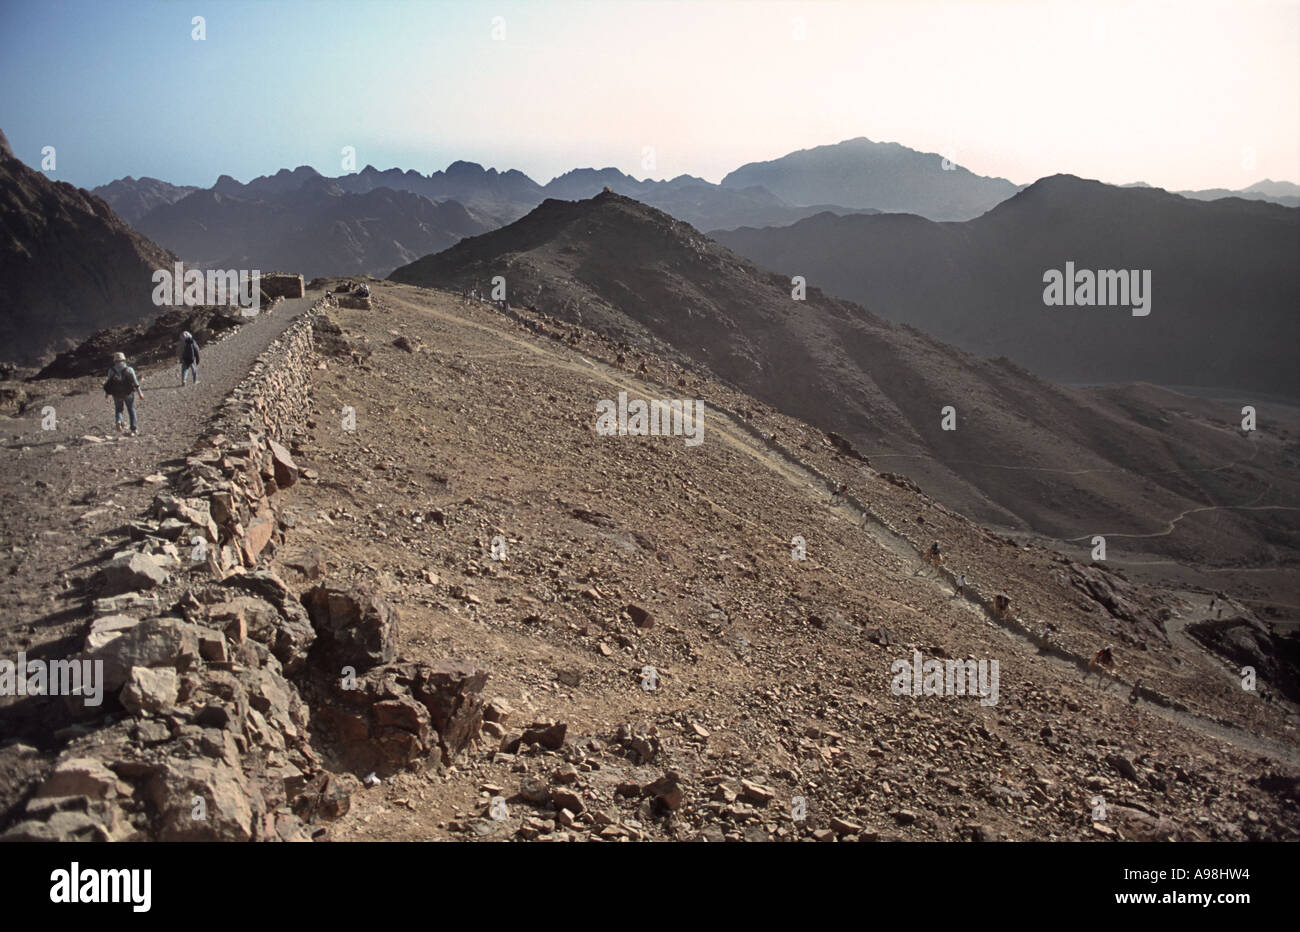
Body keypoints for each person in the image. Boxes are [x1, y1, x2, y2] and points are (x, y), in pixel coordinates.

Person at [103, 352, 143, 434]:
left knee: (118, 409)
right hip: (128, 393)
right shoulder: (129, 369)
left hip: (116, 394)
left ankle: (118, 420)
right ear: (123, 360)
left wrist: (107, 394)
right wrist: (140, 393)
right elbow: (135, 382)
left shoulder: (111, 370)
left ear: (115, 360)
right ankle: (134, 428)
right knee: (131, 409)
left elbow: (109, 383)